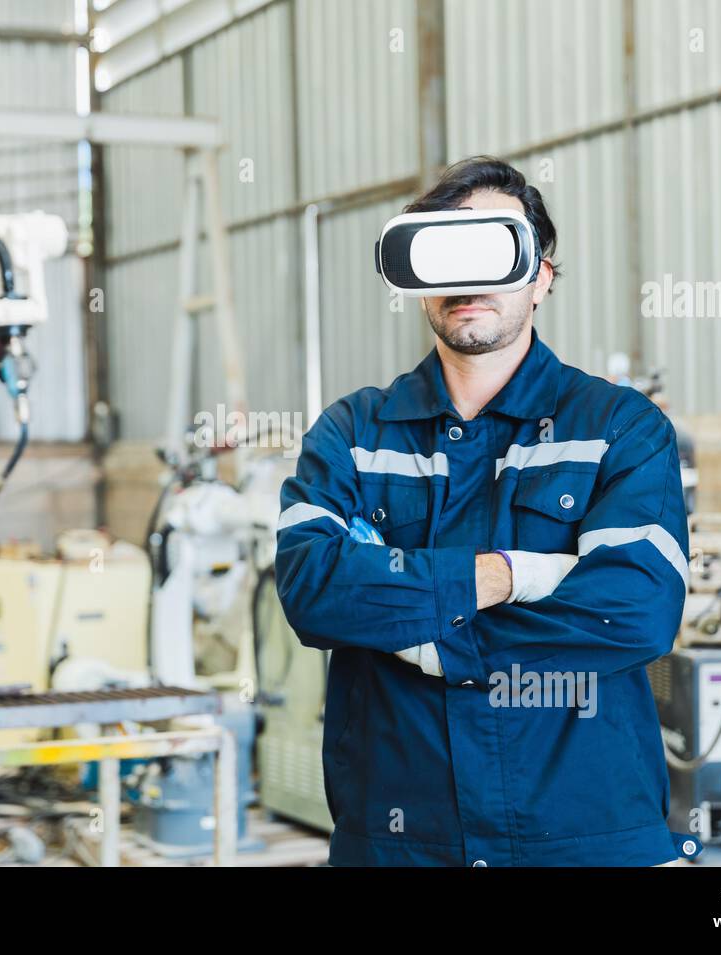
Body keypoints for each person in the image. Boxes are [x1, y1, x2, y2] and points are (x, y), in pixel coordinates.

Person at [275, 156, 695, 866]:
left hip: (586, 839)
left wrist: (429, 637)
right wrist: (508, 575)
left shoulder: (619, 428)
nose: (468, 282)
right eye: (445, 254)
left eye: (494, 251)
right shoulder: (352, 435)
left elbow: (634, 610)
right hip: (400, 841)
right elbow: (317, 596)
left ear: (541, 277)